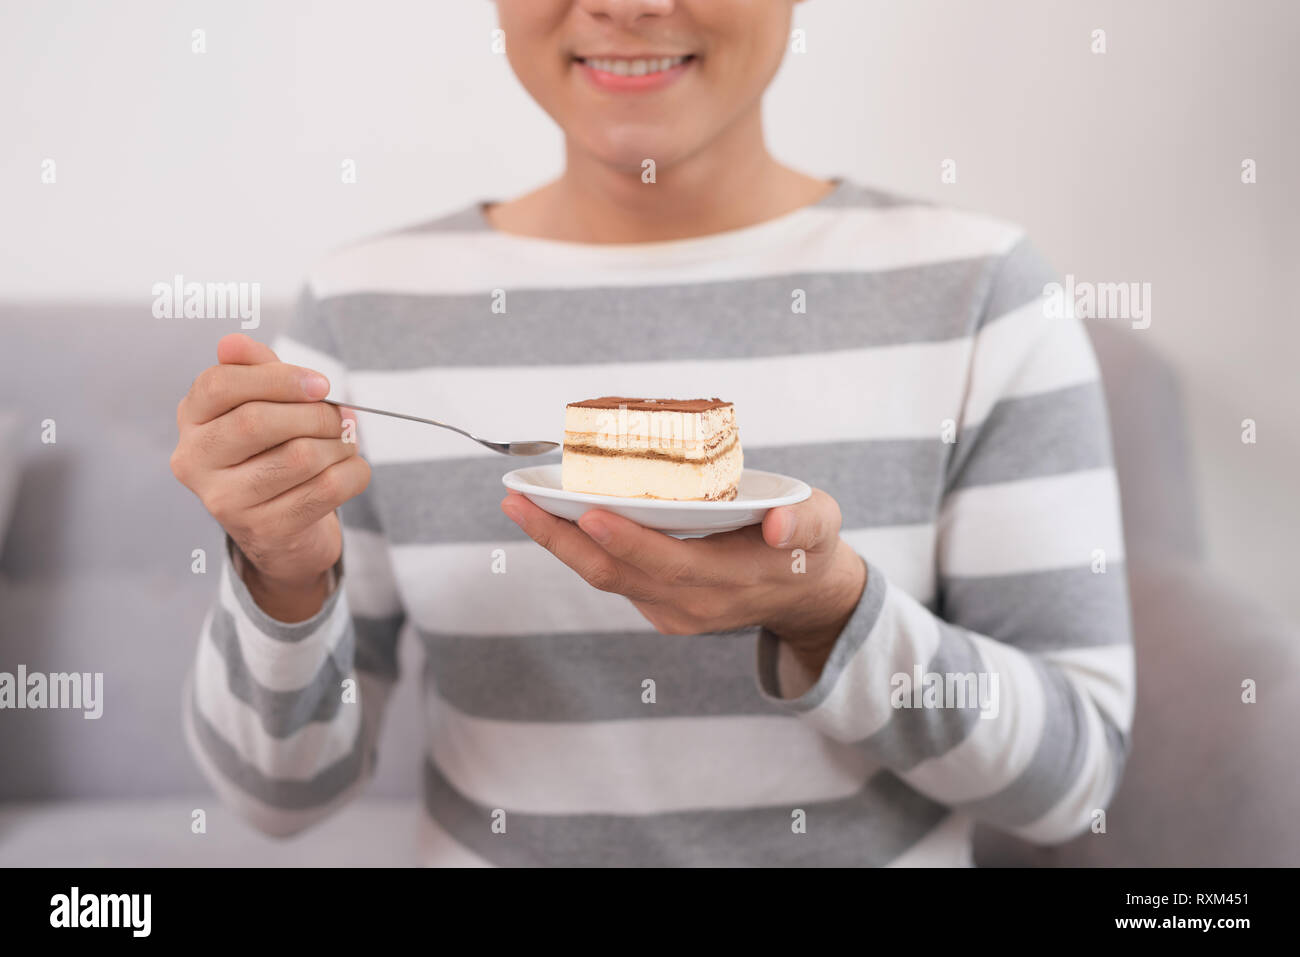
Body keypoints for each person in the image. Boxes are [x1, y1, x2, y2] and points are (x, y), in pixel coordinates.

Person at [169, 0, 1133, 866]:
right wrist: (281, 573)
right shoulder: (364, 308)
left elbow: (1071, 781)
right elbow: (277, 797)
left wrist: (830, 615)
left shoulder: (982, 292)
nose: (627, 5)